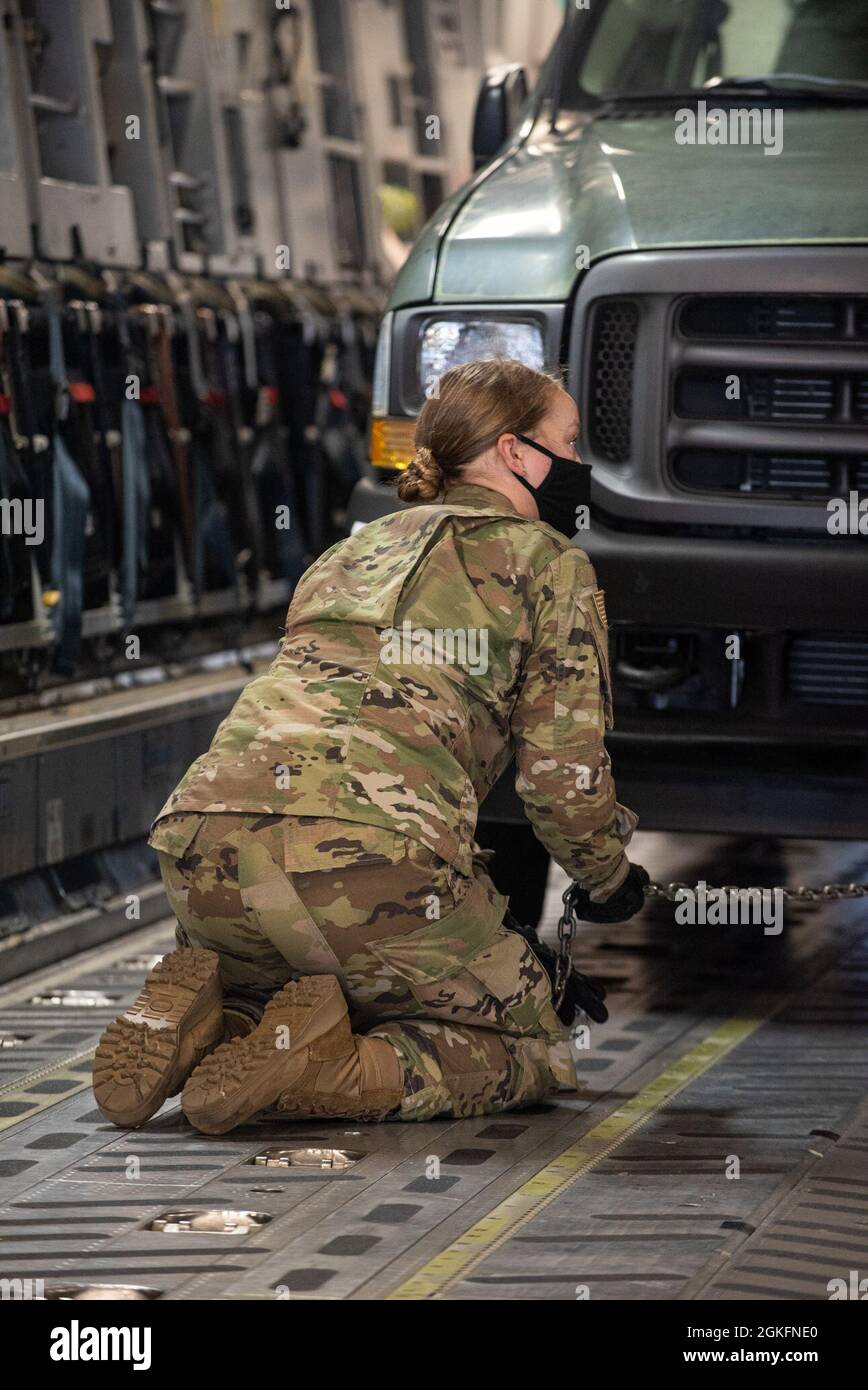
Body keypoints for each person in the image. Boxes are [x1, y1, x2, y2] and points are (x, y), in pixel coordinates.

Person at [93, 357, 647, 1133]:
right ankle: (328, 1065)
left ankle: (217, 1017)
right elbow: (561, 783)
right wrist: (614, 880)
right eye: (571, 441)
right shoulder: (549, 564)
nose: (581, 465)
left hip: (200, 846)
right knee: (527, 1045)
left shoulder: (347, 554)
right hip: (370, 860)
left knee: (316, 967)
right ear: (519, 453)